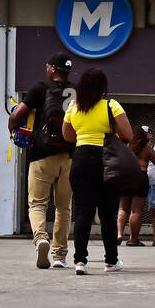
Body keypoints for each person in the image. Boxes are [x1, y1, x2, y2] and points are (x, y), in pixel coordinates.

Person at [61, 67, 135, 275]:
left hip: (81, 159)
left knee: (83, 211)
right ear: (103, 87)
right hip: (106, 158)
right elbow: (128, 134)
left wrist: (85, 137)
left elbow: (67, 135)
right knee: (108, 214)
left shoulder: (73, 107)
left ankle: (80, 262)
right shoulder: (111, 105)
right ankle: (111, 261)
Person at [7, 51, 74, 270]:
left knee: (37, 203)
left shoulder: (40, 88)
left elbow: (18, 114)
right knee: (64, 208)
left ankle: (41, 238)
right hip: (69, 156)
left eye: (48, 66)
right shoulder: (76, 91)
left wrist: (12, 127)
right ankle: (59, 255)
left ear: (53, 69)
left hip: (41, 156)